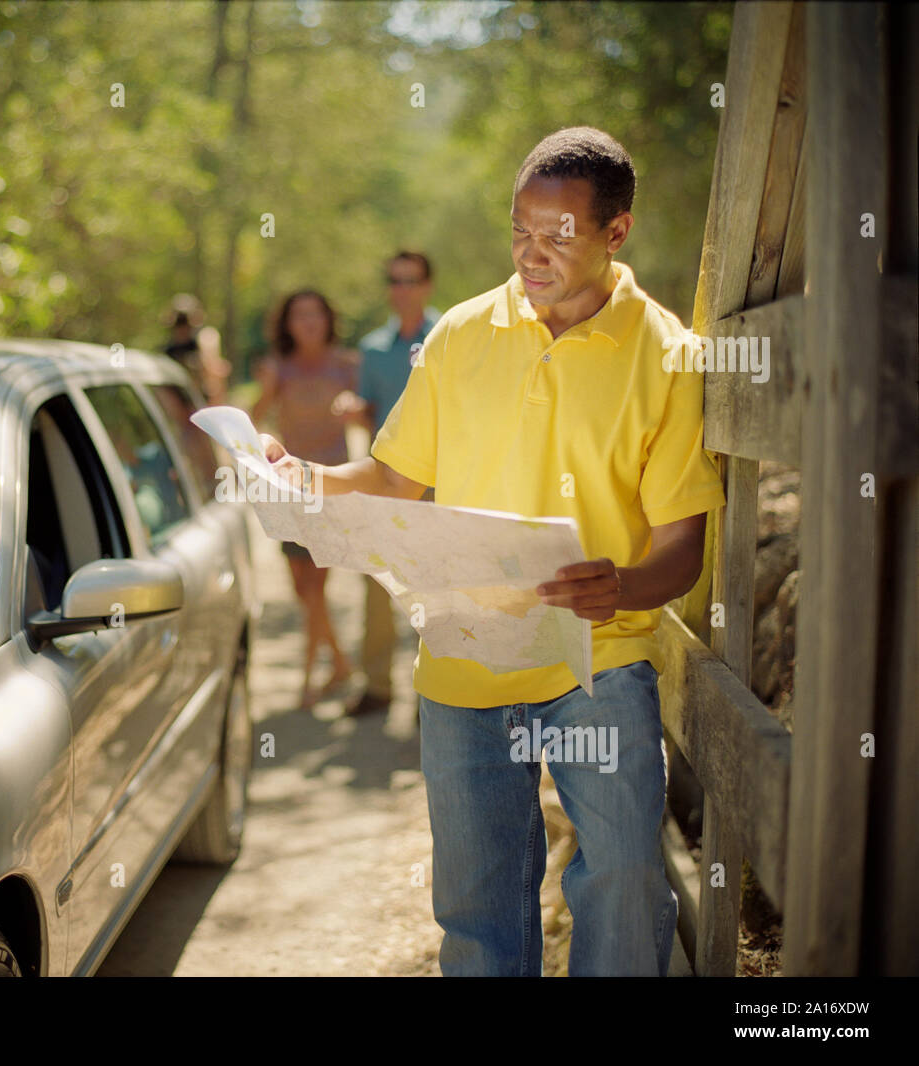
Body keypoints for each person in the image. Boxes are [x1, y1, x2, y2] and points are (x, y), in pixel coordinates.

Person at [259, 127, 726, 976]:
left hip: (601, 662)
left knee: (622, 881)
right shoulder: (460, 335)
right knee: (476, 909)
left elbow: (683, 552)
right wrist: (305, 477)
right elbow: (399, 481)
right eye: (520, 230)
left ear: (616, 233)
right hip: (465, 658)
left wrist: (620, 584)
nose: (532, 252)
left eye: (559, 234)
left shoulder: (669, 355)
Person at [332, 251, 441, 717]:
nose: (403, 289)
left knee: (436, 588)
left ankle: (432, 695)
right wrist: (355, 408)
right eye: (395, 280)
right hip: (387, 479)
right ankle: (376, 686)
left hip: (439, 481)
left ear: (427, 285)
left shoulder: (449, 336)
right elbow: (373, 410)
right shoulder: (373, 348)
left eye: (411, 280)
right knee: (378, 584)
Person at [251, 289, 359, 709]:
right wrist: (264, 390)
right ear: (288, 324)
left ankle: (309, 677)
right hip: (286, 490)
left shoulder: (349, 366)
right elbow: (255, 418)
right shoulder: (277, 367)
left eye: (316, 313)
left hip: (330, 488)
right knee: (302, 588)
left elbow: (376, 414)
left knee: (316, 582)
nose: (309, 322)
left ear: (328, 319)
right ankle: (340, 663)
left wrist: (358, 409)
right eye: (299, 315)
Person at [162, 294, 230, 405]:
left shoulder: (204, 339)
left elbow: (215, 374)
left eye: (185, 321)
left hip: (206, 400)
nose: (183, 327)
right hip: (183, 404)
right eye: (179, 322)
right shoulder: (169, 351)